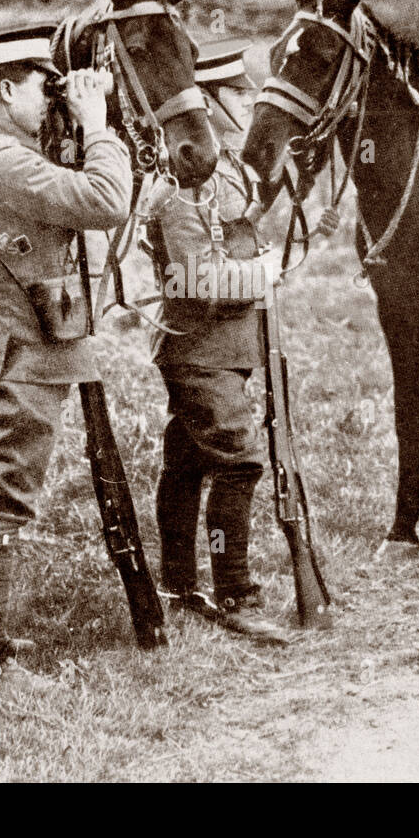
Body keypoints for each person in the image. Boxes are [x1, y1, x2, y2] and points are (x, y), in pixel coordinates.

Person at [0, 24, 130, 688]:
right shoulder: (4, 163)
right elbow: (106, 201)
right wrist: (99, 123)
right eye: (42, 88)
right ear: (8, 86)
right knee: (3, 503)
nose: (51, 100)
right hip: (23, 353)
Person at [145, 39, 289, 644]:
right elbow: (198, 279)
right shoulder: (181, 188)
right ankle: (234, 588)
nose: (251, 103)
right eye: (239, 94)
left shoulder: (219, 173)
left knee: (186, 461)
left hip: (219, 351)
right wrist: (265, 273)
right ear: (210, 100)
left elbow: (245, 214)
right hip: (199, 349)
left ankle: (178, 584)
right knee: (240, 461)